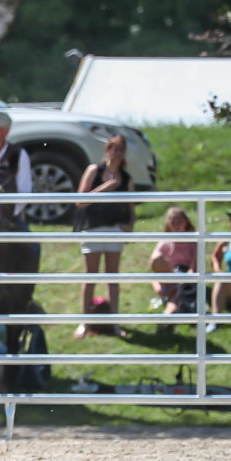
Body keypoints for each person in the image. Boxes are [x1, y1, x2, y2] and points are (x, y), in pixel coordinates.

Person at [74, 134, 135, 338]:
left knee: (112, 276)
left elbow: (131, 207)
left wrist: (130, 227)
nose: (116, 153)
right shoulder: (94, 170)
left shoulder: (127, 179)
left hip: (114, 229)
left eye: (120, 149)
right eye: (113, 148)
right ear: (107, 150)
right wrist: (105, 188)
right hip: (92, 228)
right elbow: (80, 201)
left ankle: (114, 323)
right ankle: (84, 322)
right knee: (90, 275)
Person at [150, 206, 199, 316]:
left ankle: (168, 314)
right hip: (169, 278)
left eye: (179, 221)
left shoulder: (193, 242)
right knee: (158, 258)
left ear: (186, 222)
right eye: (173, 222)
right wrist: (158, 287)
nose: (176, 225)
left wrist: (184, 280)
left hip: (186, 278)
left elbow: (193, 267)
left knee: (180, 289)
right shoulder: (165, 241)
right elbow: (154, 265)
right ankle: (171, 309)